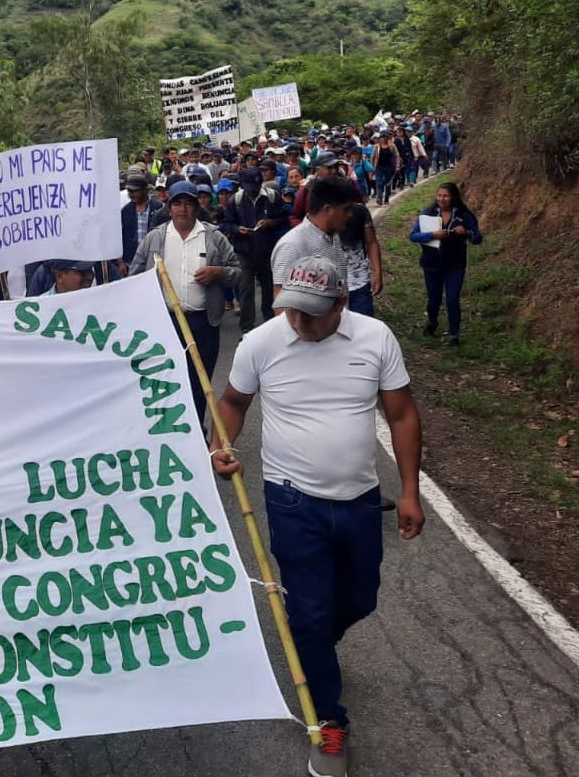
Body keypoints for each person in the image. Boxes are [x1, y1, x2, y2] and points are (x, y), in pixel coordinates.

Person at [209, 254, 424, 777]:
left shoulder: (375, 339)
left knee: (358, 600)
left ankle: (313, 646)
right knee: (307, 611)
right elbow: (234, 401)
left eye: (312, 314)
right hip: (291, 502)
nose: (299, 323)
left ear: (342, 304)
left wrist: (412, 490)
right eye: (292, 311)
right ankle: (328, 721)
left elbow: (401, 413)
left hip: (359, 501)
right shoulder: (262, 342)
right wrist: (220, 444)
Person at [129, 181, 239, 429]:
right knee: (165, 382)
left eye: (188, 204)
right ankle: (172, 434)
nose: (183, 209)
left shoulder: (213, 237)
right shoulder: (155, 238)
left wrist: (218, 272)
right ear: (169, 208)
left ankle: (197, 433)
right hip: (164, 324)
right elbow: (135, 275)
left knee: (200, 384)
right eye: (177, 204)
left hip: (203, 323)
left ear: (197, 206)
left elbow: (237, 272)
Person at [409, 182, 482, 345]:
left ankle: (454, 335)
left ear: (454, 197)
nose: (442, 199)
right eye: (439, 195)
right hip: (431, 264)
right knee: (433, 299)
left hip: (455, 265)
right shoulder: (428, 213)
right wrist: (431, 235)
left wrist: (467, 232)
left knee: (452, 299)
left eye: (446, 196)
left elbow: (478, 238)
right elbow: (413, 236)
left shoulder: (464, 215)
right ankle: (432, 321)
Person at [222, 167, 286, 335]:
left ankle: (270, 319)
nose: (253, 191)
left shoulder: (272, 197)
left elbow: (283, 218)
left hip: (267, 249)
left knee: (268, 287)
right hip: (244, 250)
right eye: (249, 188)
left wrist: (270, 223)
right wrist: (237, 229)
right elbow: (227, 224)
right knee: (246, 288)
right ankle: (247, 325)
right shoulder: (235, 201)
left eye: (255, 187)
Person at [272, 176, 359, 295]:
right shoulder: (292, 246)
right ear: (328, 209)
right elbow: (281, 304)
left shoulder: (333, 236)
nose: (350, 215)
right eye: (346, 209)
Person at [341, 200, 383, 317]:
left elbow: (371, 242)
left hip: (359, 282)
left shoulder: (360, 211)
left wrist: (378, 273)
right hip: (332, 286)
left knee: (363, 326)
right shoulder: (319, 215)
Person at [121, 172, 164, 270]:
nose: (131, 194)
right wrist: (121, 262)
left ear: (145, 191)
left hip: (154, 261)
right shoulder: (126, 211)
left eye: (135, 191)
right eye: (129, 191)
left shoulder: (158, 208)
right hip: (131, 262)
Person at [288, 150, 342, 227]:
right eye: (329, 168)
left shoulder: (343, 187)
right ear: (317, 170)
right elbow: (295, 217)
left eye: (336, 167)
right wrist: (306, 231)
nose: (334, 171)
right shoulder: (307, 189)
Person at [371, 132, 400, 205]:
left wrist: (397, 166)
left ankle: (387, 197)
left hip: (389, 167)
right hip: (379, 167)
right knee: (379, 182)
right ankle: (380, 197)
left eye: (385, 137)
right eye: (382, 137)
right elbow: (372, 158)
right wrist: (372, 168)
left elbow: (397, 156)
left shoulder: (392, 146)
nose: (383, 139)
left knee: (387, 183)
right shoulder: (377, 147)